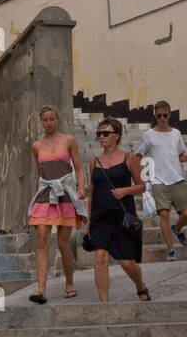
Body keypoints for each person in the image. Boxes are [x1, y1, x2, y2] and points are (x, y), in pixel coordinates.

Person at [25, 104, 85, 303]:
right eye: (45, 120)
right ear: (41, 122)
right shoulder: (36, 146)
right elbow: (39, 173)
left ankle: (69, 283)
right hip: (45, 194)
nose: (49, 123)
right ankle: (40, 289)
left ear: (57, 119)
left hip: (65, 194)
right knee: (42, 239)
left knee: (62, 242)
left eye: (52, 119)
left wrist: (81, 187)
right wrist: (36, 195)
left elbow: (78, 166)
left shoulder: (69, 140)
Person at [86, 117, 150, 302]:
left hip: (122, 217)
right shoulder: (94, 162)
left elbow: (142, 186)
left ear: (117, 135)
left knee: (127, 262)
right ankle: (104, 304)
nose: (101, 137)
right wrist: (89, 221)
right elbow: (92, 192)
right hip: (100, 217)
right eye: (99, 133)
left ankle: (140, 285)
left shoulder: (129, 158)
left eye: (106, 133)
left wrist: (125, 191)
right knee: (100, 258)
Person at [137, 100, 187, 261]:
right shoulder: (149, 135)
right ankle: (171, 250)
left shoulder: (176, 133)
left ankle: (177, 229)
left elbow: (181, 156)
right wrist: (143, 177)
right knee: (164, 214)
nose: (162, 118)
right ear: (155, 116)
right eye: (159, 115)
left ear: (169, 115)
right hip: (158, 180)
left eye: (165, 115)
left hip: (176, 178)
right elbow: (139, 155)